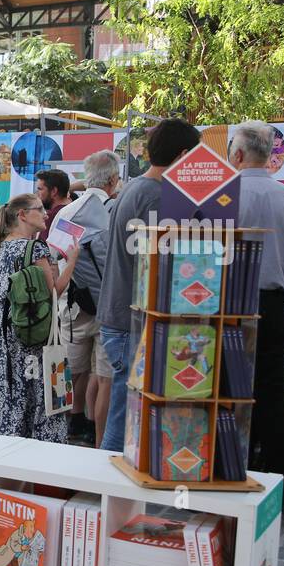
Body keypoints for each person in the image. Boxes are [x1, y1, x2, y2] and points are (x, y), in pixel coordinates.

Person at [97, 119, 201, 453]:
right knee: (125, 413)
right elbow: (161, 266)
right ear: (183, 154)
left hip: (119, 314)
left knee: (124, 407)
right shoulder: (157, 196)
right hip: (132, 319)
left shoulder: (134, 188)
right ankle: (104, 488)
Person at [231, 120, 284, 485]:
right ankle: (279, 483)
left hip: (226, 305)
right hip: (272, 307)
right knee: (271, 395)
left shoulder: (220, 195)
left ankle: (227, 475)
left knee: (227, 393)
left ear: (239, 153)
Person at [0, 194, 77, 442]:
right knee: (35, 384)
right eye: (39, 209)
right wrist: (72, 262)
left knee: (5, 382)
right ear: (22, 215)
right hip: (29, 327)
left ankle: (2, 434)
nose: (45, 214)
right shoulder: (35, 249)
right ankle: (37, 439)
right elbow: (53, 293)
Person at [48, 150, 120, 445]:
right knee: (105, 378)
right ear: (114, 180)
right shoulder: (117, 211)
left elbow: (53, 257)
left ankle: (64, 431)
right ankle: (101, 442)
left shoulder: (67, 213)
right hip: (111, 308)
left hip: (74, 306)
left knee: (68, 372)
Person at [36, 169, 73, 239]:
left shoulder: (50, 217)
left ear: (54, 191)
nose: (37, 193)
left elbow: (42, 248)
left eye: (40, 189)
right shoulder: (75, 211)